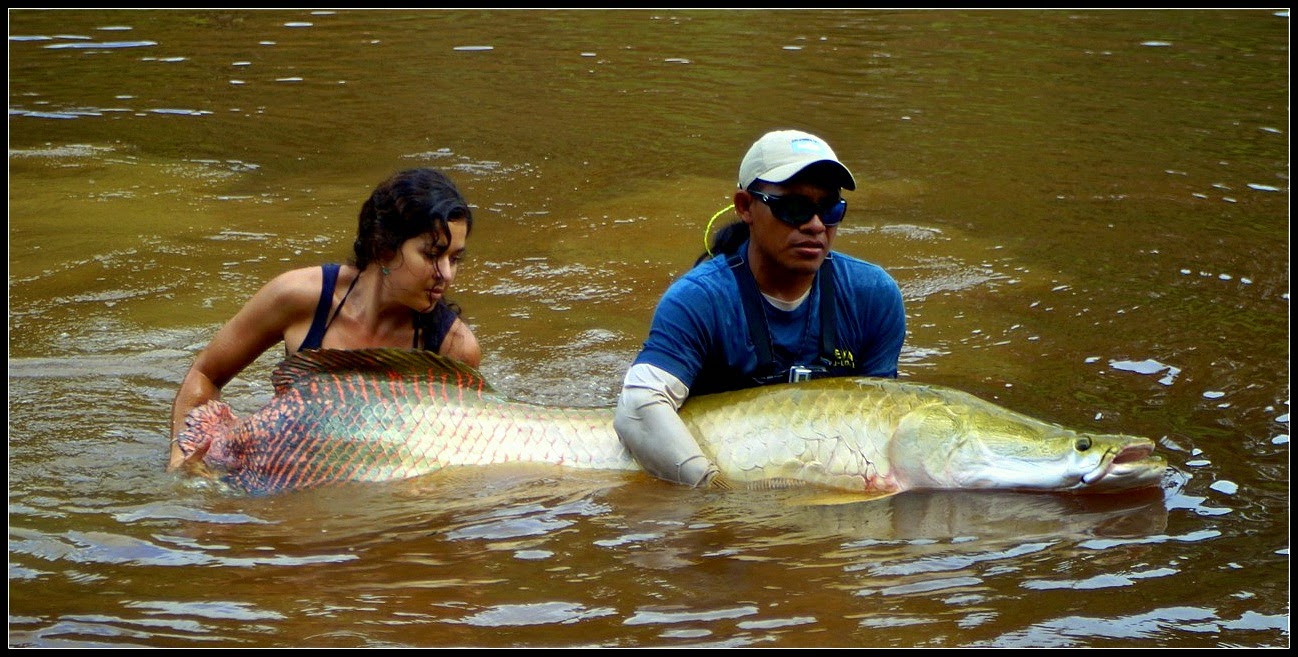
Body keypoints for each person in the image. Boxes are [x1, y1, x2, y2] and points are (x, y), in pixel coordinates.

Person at [614, 129, 907, 488]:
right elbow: (638, 408)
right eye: (794, 207)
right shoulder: (698, 298)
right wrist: (714, 491)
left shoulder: (874, 296)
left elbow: (877, 418)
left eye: (830, 209)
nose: (815, 225)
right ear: (744, 207)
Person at [167, 167, 481, 470]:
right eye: (431, 255)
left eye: (454, 259)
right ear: (385, 248)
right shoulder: (299, 298)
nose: (447, 274)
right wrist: (184, 459)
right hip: (285, 468)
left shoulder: (453, 348)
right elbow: (205, 375)